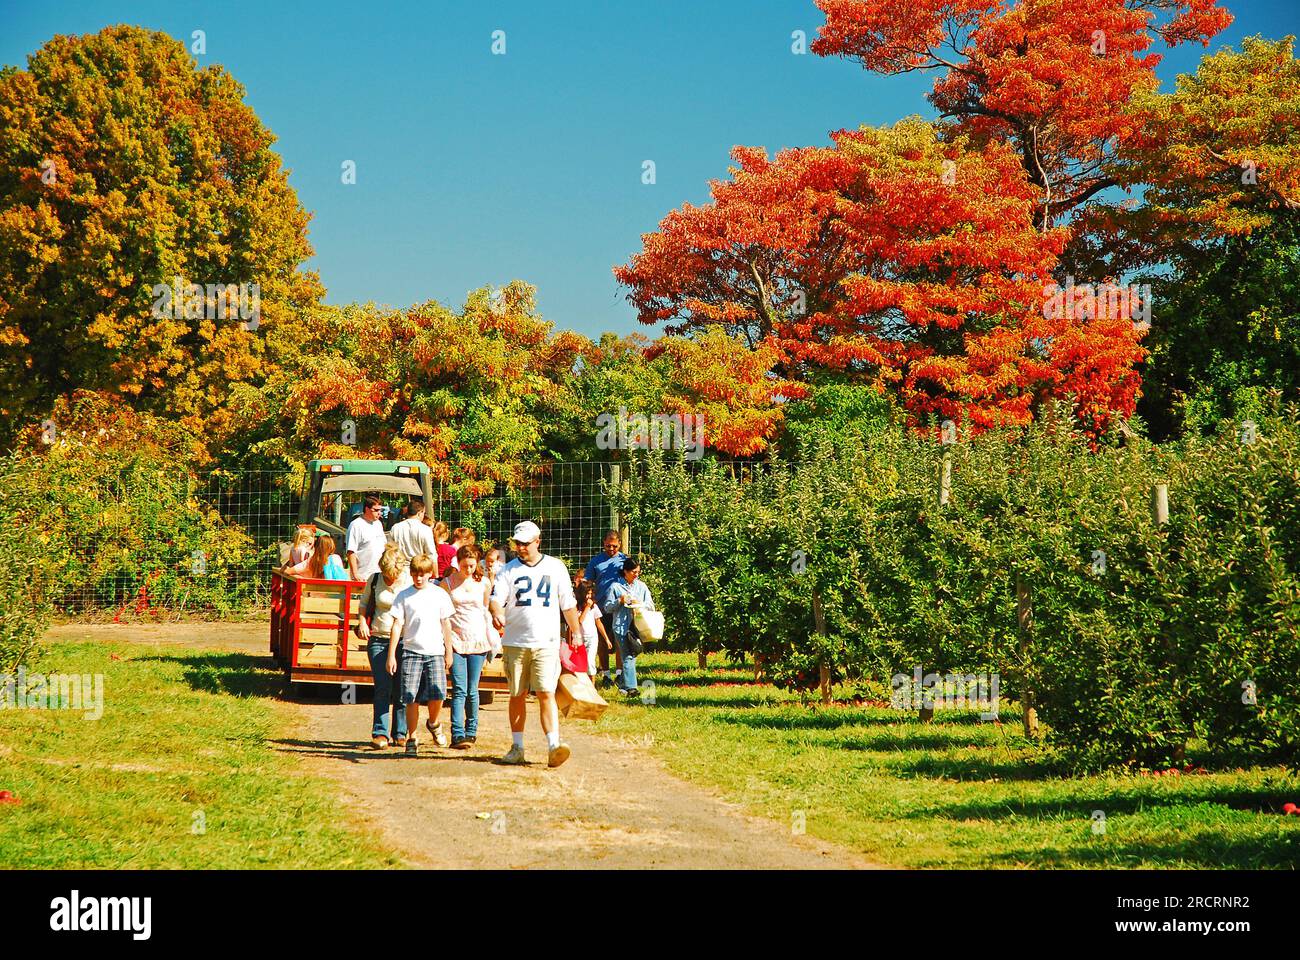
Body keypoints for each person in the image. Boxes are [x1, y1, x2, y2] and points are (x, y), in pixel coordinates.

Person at [488, 520, 582, 768]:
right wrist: (497, 612)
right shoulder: (507, 570)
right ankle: (517, 747)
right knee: (517, 693)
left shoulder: (555, 567)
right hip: (515, 642)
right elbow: (496, 599)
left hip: (547, 642)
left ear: (538, 541)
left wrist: (577, 631)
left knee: (546, 692)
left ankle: (554, 745)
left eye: (525, 543)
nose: (520, 547)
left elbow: (568, 603)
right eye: (517, 543)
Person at [387, 553, 456, 756]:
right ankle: (412, 737)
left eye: (423, 574)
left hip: (435, 651)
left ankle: (434, 722)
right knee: (410, 697)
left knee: (439, 693)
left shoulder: (439, 594)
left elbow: (446, 624)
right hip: (411, 651)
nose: (418, 578)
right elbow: (397, 624)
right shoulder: (403, 595)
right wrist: (392, 654)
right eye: (415, 574)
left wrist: (449, 652)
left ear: (429, 574)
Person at [441, 544, 498, 749]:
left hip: (477, 639)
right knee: (459, 688)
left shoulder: (483, 583)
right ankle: (457, 733)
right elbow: (443, 613)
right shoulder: (447, 584)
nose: (469, 570)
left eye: (472, 566)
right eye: (465, 565)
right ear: (458, 562)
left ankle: (471, 730)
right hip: (456, 639)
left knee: (472, 689)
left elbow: (484, 609)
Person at [357, 544, 411, 748]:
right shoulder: (374, 579)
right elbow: (363, 605)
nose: (390, 579)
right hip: (379, 638)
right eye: (387, 575)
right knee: (382, 686)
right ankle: (380, 732)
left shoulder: (408, 581)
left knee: (402, 687)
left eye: (393, 576)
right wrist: (362, 622)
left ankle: (400, 731)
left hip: (404, 640)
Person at [577, 530, 628, 685]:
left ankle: (620, 673)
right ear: (603, 544)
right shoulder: (596, 561)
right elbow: (588, 581)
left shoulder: (624, 560)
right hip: (600, 607)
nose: (611, 549)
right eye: (608, 546)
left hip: (619, 606)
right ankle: (606, 674)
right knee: (601, 641)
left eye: (614, 546)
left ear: (619, 543)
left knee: (620, 640)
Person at [603, 556, 655, 696]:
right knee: (627, 654)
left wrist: (639, 603)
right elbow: (607, 607)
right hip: (621, 626)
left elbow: (650, 605)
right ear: (625, 571)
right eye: (633, 572)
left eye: (638, 572)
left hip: (638, 626)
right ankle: (632, 687)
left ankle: (624, 685)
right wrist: (619, 601)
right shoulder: (615, 587)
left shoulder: (641, 586)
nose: (636, 575)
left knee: (633, 652)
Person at [346, 495, 387, 582]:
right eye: (376, 510)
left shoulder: (378, 524)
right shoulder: (355, 525)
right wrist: (355, 574)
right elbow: (350, 552)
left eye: (380, 510)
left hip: (379, 575)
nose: (379, 513)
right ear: (367, 509)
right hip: (363, 577)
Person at [573, 582, 608, 681]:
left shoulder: (594, 607)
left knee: (590, 662)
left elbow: (599, 622)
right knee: (580, 663)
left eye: (590, 593)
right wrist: (586, 608)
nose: (588, 596)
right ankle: (583, 685)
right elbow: (579, 621)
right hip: (579, 638)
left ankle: (593, 686)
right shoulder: (576, 607)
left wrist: (606, 639)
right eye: (586, 593)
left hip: (592, 638)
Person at [391, 498, 436, 566]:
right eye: (423, 513)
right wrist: (436, 574)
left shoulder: (395, 528)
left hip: (399, 569)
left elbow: (390, 551)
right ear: (419, 513)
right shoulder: (425, 530)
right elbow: (431, 555)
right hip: (419, 570)